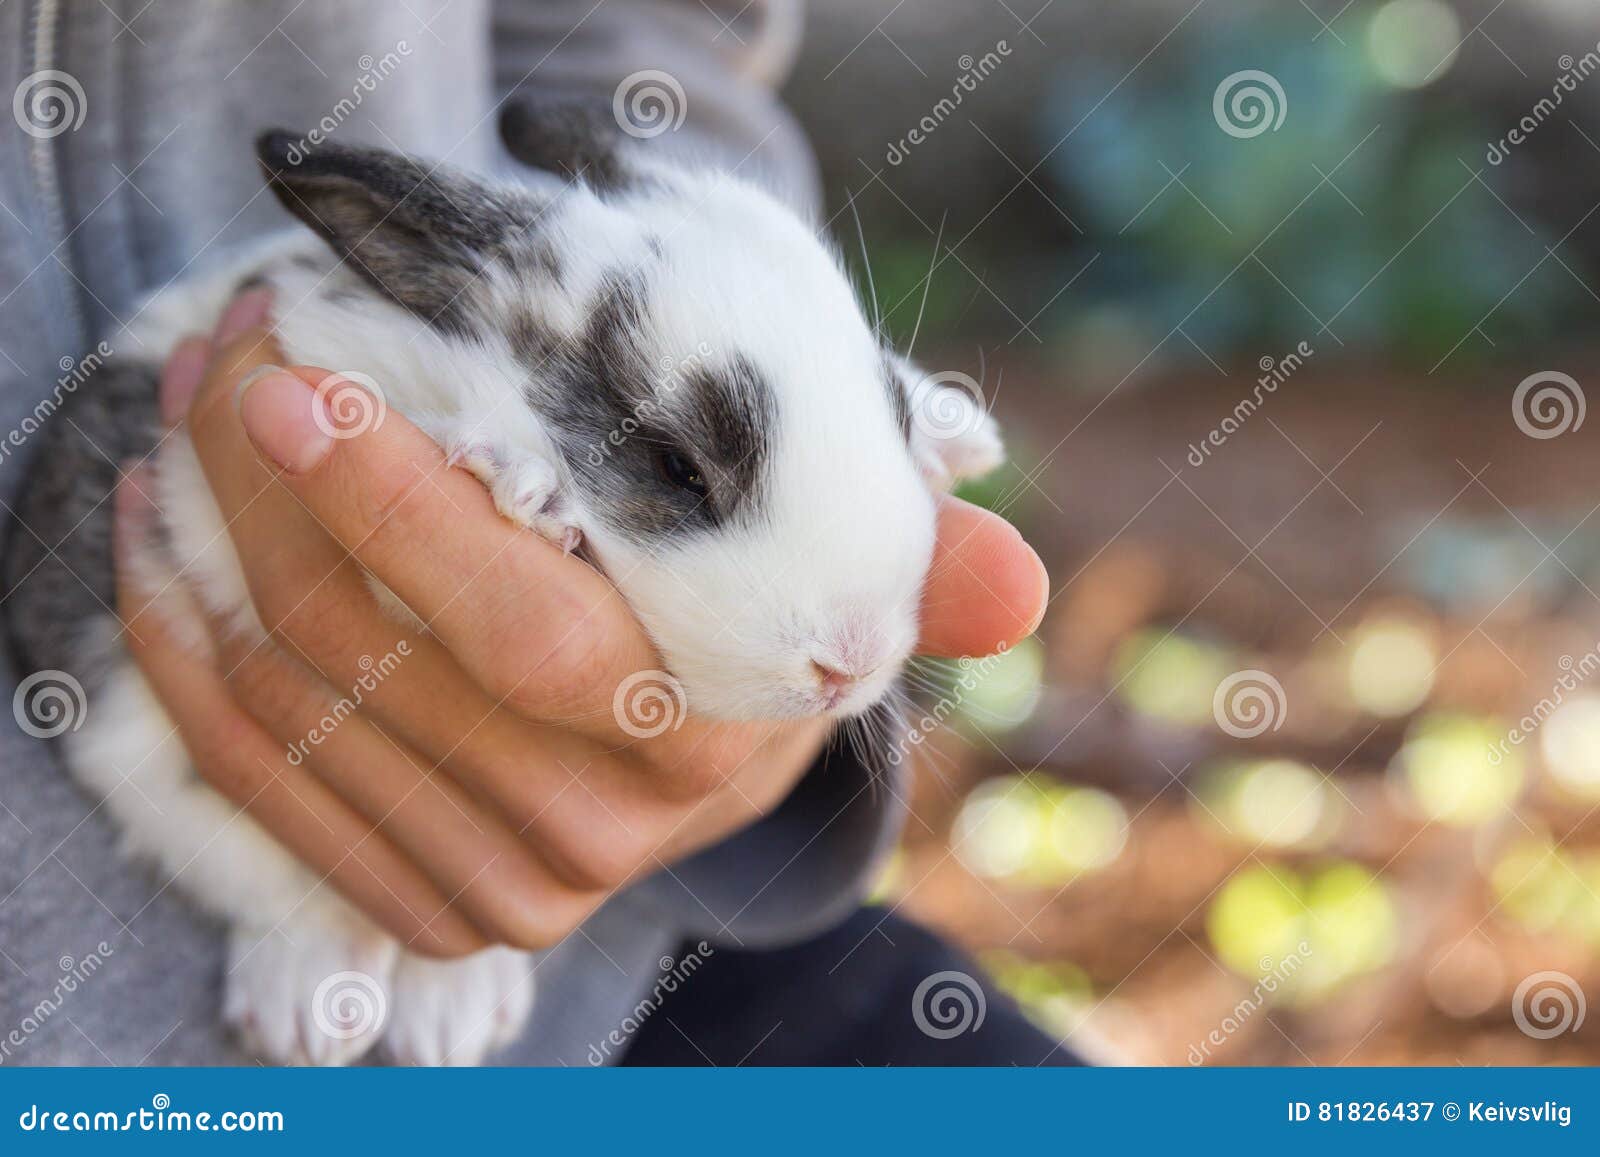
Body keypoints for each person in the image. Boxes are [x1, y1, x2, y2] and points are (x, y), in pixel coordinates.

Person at [0, 0, 1062, 1065]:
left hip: (622, 960)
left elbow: (658, 64)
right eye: (682, 473)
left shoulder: (633, 291)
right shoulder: (435, 353)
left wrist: (701, 790)